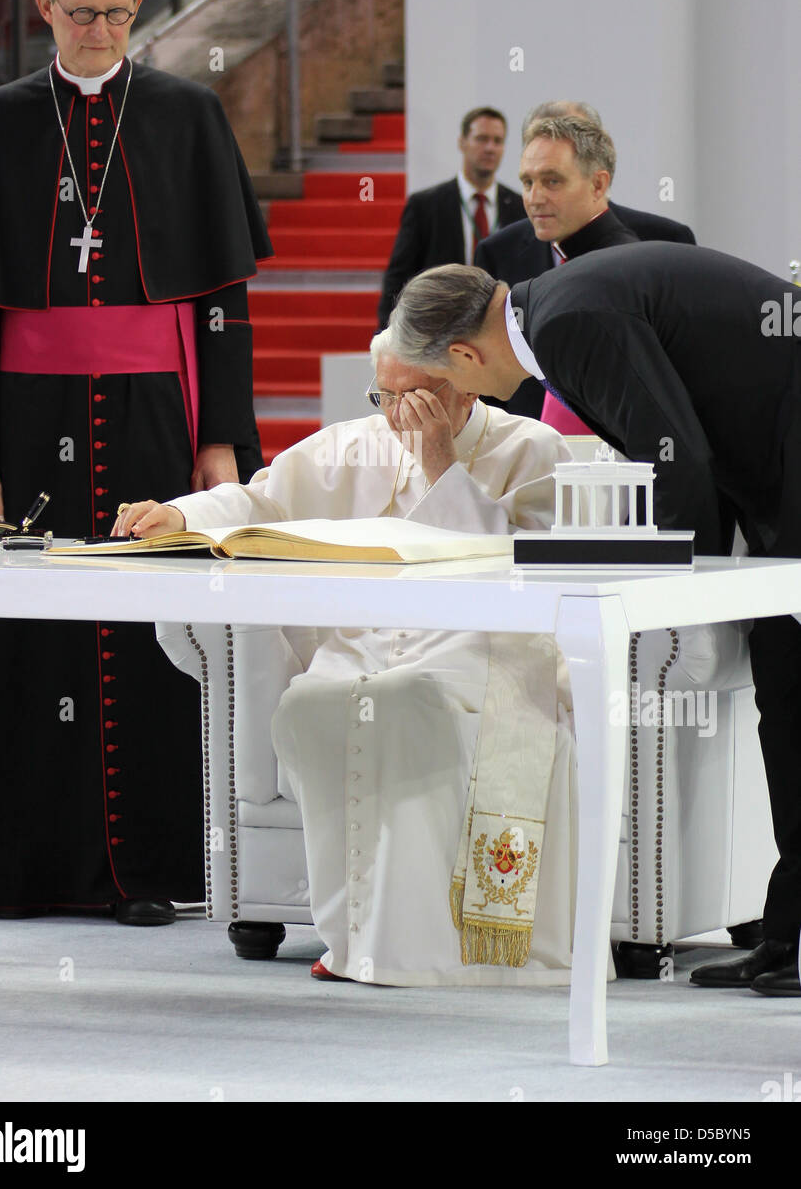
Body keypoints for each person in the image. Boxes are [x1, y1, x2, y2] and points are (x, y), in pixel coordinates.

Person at [0, 0, 272, 924]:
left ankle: (145, 870)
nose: (100, 32)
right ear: (43, 7)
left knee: (150, 628)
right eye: (81, 14)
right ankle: (18, 870)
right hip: (28, 422)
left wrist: (222, 441)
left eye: (119, 15)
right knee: (23, 639)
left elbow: (220, 300)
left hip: (155, 420)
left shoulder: (186, 114)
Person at [386, 254, 801, 996]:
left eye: (449, 382)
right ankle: (787, 937)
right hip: (774, 471)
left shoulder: (568, 320)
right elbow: (690, 440)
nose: (463, 395)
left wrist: (679, 597)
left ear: (461, 354)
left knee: (793, 686)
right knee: (786, 690)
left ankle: (789, 939)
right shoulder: (556, 312)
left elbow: (679, 457)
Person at [114, 336, 577, 985]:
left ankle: (422, 950)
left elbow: (527, 564)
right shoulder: (346, 445)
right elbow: (257, 502)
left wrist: (443, 465)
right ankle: (354, 934)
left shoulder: (530, 448)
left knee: (408, 702)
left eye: (411, 397)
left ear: (463, 386)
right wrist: (178, 514)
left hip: (480, 648)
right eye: (382, 395)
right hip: (362, 644)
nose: (394, 414)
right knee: (308, 705)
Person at [475, 106, 695, 424]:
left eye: (552, 180)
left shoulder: (663, 240)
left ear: (597, 180)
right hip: (528, 443)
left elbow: (681, 358)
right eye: (527, 182)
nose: (535, 197)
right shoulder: (497, 250)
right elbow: (486, 364)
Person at [376, 106, 526, 328]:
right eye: (481, 139)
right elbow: (398, 277)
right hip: (439, 327)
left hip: (501, 330)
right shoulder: (426, 205)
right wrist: (388, 333)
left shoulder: (519, 207)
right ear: (462, 142)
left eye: (498, 141)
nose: (490, 148)